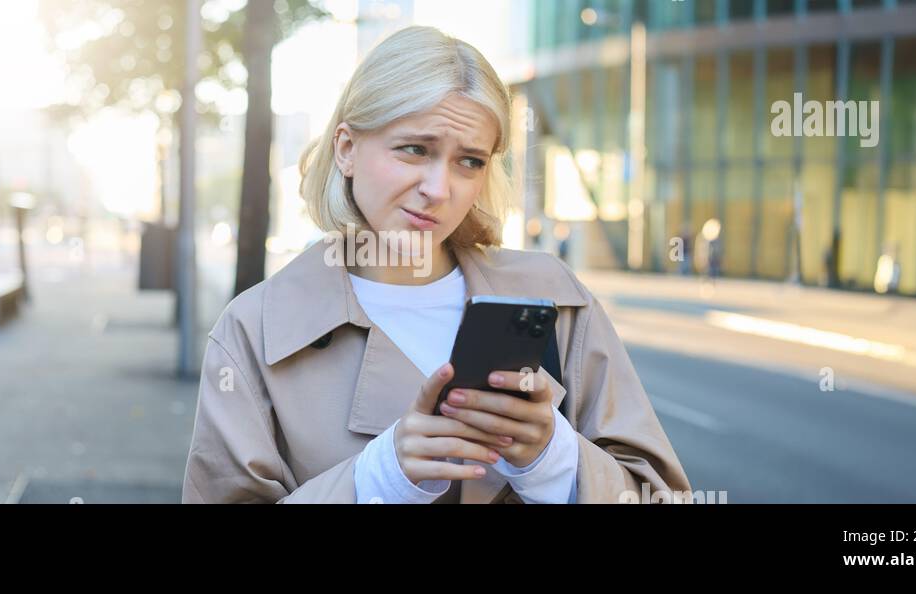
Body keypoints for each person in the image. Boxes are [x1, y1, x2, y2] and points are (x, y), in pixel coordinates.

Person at [181, 26, 690, 503]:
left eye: (470, 161)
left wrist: (553, 458)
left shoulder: (557, 301)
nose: (438, 190)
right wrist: (377, 477)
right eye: (414, 150)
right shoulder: (255, 330)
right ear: (346, 149)